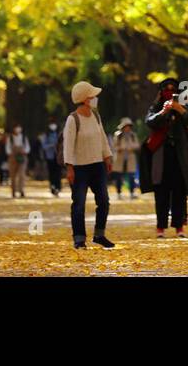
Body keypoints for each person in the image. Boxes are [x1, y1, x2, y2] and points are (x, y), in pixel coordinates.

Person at [140, 77, 188, 237]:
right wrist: (164, 111)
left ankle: (179, 227)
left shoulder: (184, 107)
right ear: (161, 91)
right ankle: (161, 228)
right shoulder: (156, 107)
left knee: (179, 191)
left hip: (179, 155)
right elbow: (150, 122)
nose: (170, 92)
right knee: (161, 192)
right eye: (166, 89)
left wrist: (180, 109)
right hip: (161, 155)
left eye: (173, 90)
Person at [62, 81, 115, 249]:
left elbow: (102, 137)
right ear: (84, 99)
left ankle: (99, 235)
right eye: (92, 96)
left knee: (104, 201)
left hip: (97, 166)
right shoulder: (73, 119)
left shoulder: (95, 116)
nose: (95, 98)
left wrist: (107, 157)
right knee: (79, 204)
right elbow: (68, 145)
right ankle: (79, 238)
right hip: (79, 168)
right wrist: (69, 167)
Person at [111, 118, 140, 199]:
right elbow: (114, 146)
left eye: (129, 126)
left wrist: (130, 147)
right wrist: (122, 148)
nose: (127, 128)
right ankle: (118, 193)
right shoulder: (118, 135)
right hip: (120, 158)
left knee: (131, 176)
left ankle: (132, 192)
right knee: (118, 176)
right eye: (126, 126)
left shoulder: (133, 135)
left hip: (130, 157)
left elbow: (137, 145)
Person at [40, 117, 61, 195]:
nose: (53, 125)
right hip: (50, 156)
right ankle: (52, 187)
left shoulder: (59, 133)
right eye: (51, 124)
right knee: (51, 173)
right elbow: (44, 146)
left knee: (58, 173)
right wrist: (52, 145)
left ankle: (58, 187)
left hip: (58, 156)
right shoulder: (46, 135)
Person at [8, 125, 29, 198]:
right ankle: (13, 191)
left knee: (21, 175)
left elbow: (27, 148)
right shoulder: (10, 138)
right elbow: (7, 149)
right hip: (13, 159)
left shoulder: (24, 137)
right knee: (13, 176)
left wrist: (23, 151)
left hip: (22, 158)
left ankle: (21, 190)